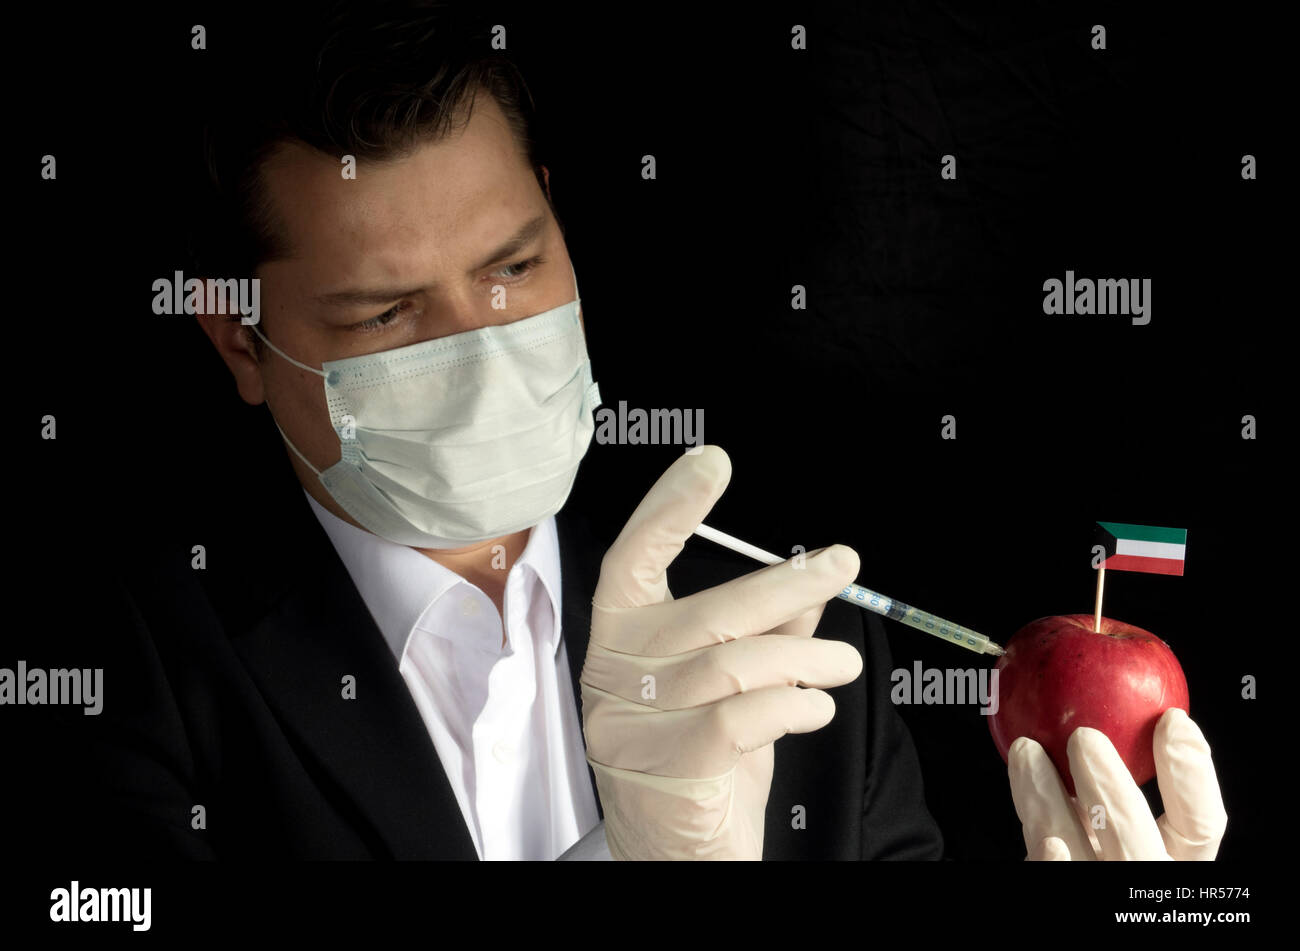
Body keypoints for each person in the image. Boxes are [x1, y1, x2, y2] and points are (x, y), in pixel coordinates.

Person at [53, 0, 1224, 861]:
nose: (479, 348)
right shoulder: (117, 671)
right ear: (239, 341)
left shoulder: (782, 634)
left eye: (515, 266)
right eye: (386, 313)